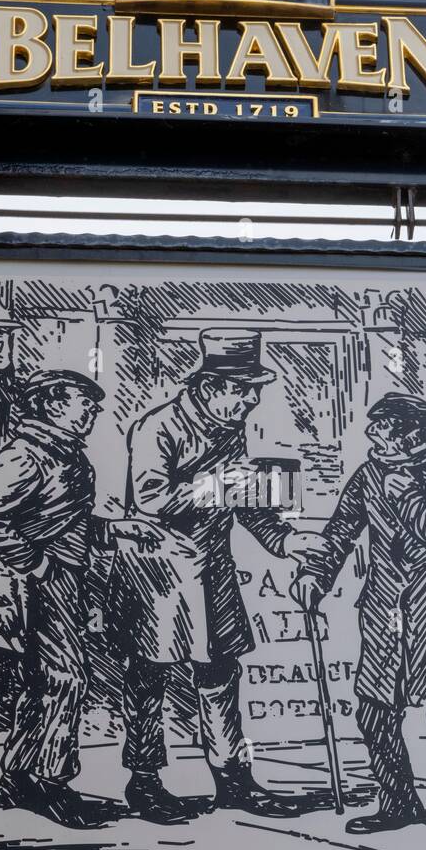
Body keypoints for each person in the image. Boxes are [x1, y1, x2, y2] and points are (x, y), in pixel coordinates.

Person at [108, 329, 324, 824]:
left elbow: (242, 498)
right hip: (156, 574)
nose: (251, 401)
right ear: (210, 386)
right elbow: (152, 500)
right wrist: (223, 485)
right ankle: (144, 781)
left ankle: (232, 778)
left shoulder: (231, 427)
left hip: (212, 570)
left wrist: (285, 540)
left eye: (255, 391)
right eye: (244, 389)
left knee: (222, 674)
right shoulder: (155, 427)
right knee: (148, 678)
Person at [292, 394, 426, 839]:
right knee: (374, 710)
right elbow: (340, 531)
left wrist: (409, 496)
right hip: (386, 613)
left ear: (412, 435)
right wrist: (315, 574)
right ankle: (397, 803)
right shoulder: (369, 474)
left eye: (382, 427)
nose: (371, 434)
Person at [0, 370, 159, 828]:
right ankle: (51, 785)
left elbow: (63, 521)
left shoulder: (61, 453)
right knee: (64, 679)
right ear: (52, 405)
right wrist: (36, 564)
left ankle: (16, 780)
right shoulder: (27, 455)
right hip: (34, 585)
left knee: (45, 681)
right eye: (83, 403)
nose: (92, 411)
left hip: (58, 582)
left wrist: (114, 529)